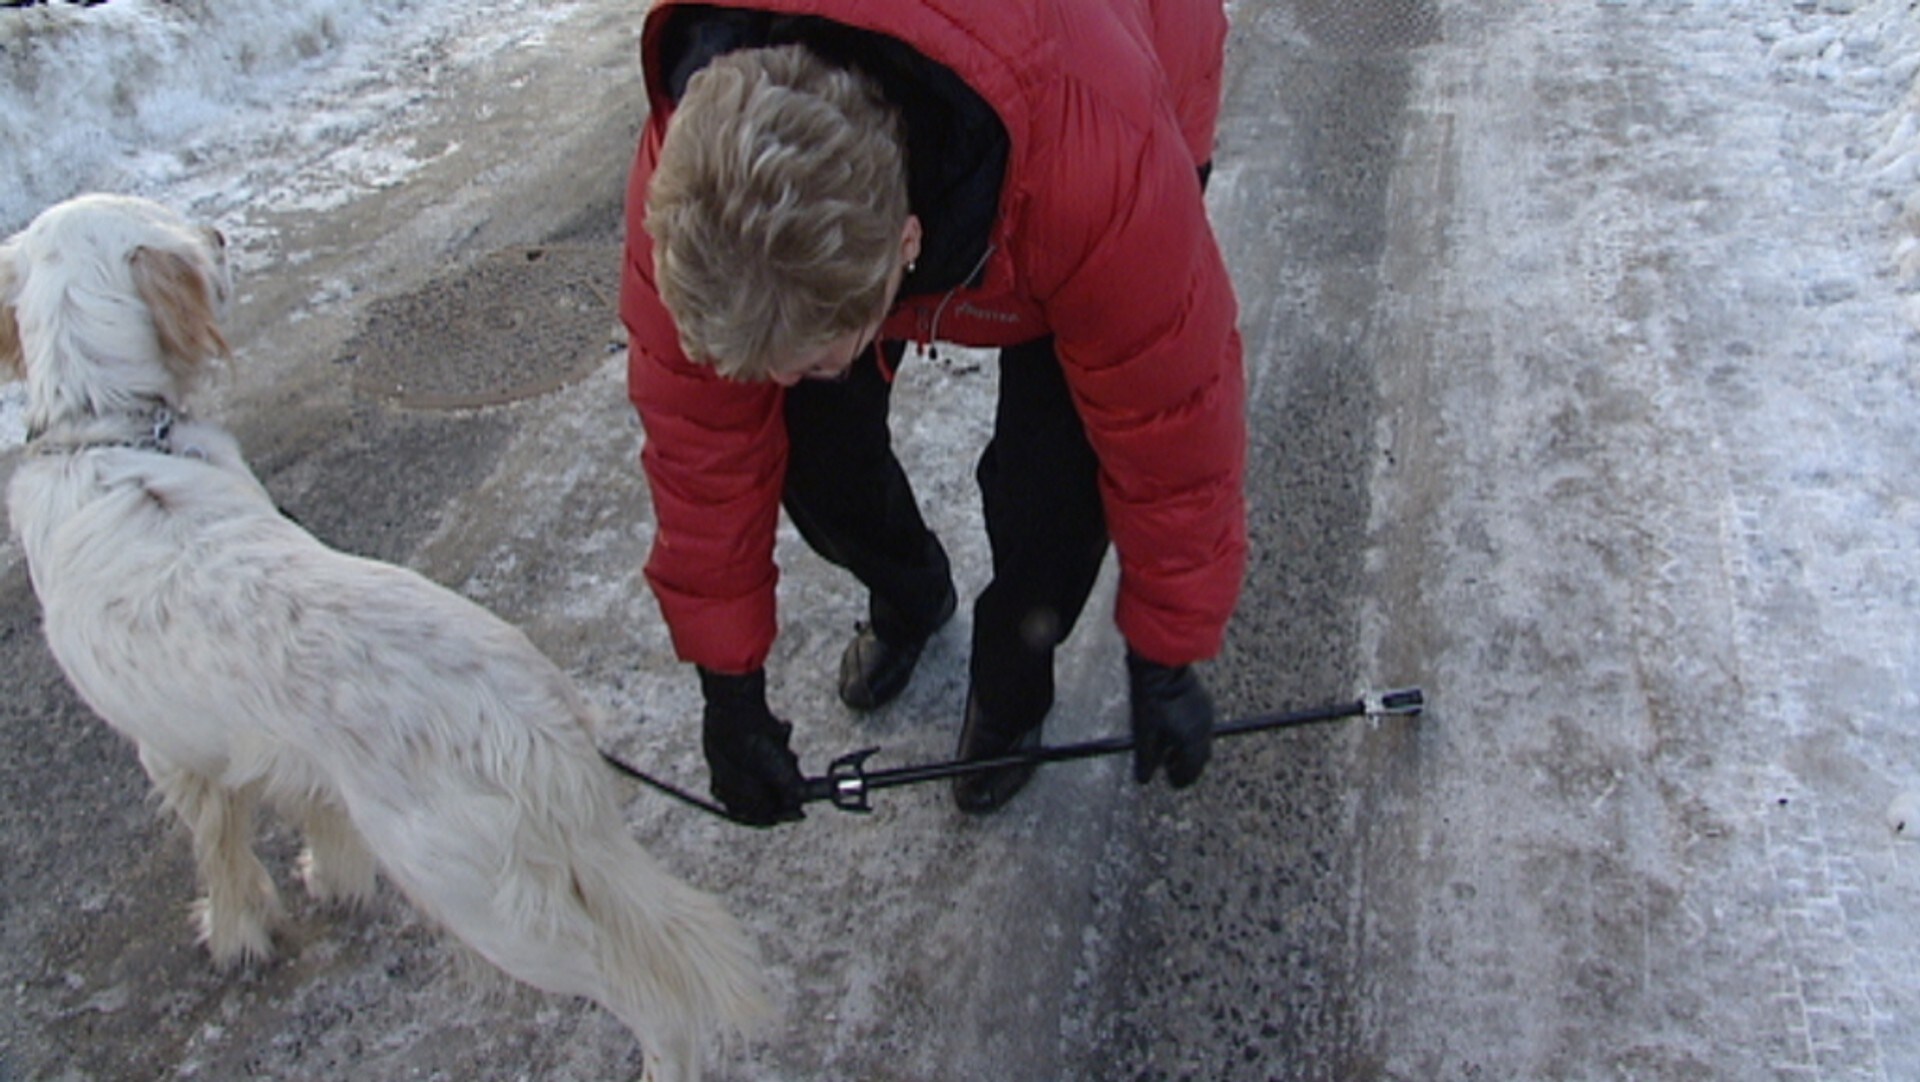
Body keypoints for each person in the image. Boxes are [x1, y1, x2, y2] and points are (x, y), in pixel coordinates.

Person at [620, 0, 1247, 825]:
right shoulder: (696, 193)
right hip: (955, 136)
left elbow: (1171, 415)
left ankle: (1012, 686)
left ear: (907, 245)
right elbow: (700, 440)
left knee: (1056, 488)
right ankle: (911, 593)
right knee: (814, 448)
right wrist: (726, 686)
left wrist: (1169, 649)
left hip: (1102, 73)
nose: (795, 377)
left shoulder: (1100, 163)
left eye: (814, 355)